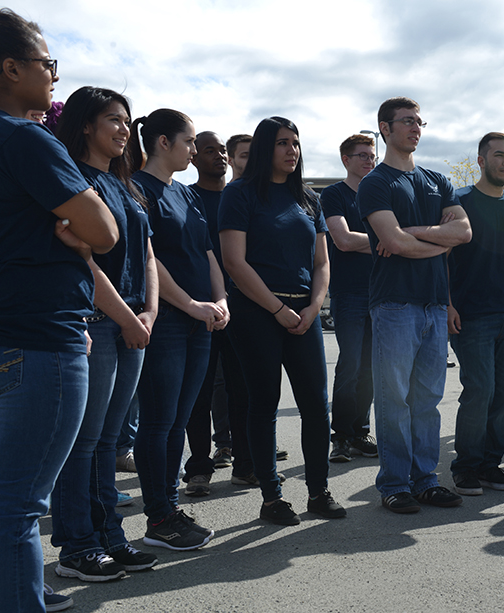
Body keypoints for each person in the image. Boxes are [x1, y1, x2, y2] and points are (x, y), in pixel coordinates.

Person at [0, 9, 118, 610]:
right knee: (16, 511)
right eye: (46, 63)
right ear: (10, 69)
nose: (53, 76)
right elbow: (104, 229)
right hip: (40, 339)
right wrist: (79, 231)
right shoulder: (22, 136)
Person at [51, 86, 159, 582]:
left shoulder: (128, 184)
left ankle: (110, 538)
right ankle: (77, 546)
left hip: (134, 322)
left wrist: (149, 314)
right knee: (84, 441)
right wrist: (125, 318)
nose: (123, 129)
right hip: (101, 323)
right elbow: (83, 261)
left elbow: (149, 257)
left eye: (127, 120)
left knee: (107, 441)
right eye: (113, 119)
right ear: (86, 125)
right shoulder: (72, 179)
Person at [220, 116, 345, 525]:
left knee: (316, 406)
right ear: (262, 149)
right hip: (257, 314)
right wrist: (277, 308)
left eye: (295, 143)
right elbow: (234, 262)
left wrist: (313, 307)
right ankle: (271, 497)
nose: (292, 150)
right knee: (264, 404)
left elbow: (322, 263)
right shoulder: (239, 194)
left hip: (305, 315)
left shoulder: (309, 199)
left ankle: (318, 491)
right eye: (281, 143)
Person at [358, 97, 471, 513]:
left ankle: (425, 480)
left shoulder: (438, 180)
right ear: (384, 129)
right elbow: (393, 243)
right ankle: (394, 484)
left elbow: (463, 232)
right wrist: (427, 241)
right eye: (407, 121)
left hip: (435, 305)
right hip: (393, 305)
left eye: (419, 121)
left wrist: (411, 236)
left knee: (426, 399)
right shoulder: (376, 183)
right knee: (394, 400)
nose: (416, 128)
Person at [129, 108, 227, 550]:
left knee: (178, 422)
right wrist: (190, 305)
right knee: (158, 421)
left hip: (201, 322)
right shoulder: (137, 189)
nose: (194, 149)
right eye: (189, 142)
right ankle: (159, 517)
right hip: (169, 322)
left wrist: (220, 301)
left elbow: (207, 254)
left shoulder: (185, 195)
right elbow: (151, 262)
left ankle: (168, 509)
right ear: (163, 142)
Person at [448, 132, 504, 495]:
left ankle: (490, 464)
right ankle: (465, 467)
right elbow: (445, 256)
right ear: (481, 161)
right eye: (499, 155)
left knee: (503, 394)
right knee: (479, 390)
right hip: (470, 315)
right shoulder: (459, 201)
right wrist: (447, 302)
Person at [182, 131, 253, 495]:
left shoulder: (241, 197)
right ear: (194, 158)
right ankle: (198, 468)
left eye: (222, 150)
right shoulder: (186, 198)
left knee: (243, 390)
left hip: (243, 308)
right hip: (201, 309)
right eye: (208, 150)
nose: (219, 156)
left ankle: (245, 464)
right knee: (199, 392)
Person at [323, 134, 379, 463]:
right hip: (349, 295)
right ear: (346, 160)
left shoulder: (380, 193)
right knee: (350, 364)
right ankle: (340, 436)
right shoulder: (334, 195)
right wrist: (386, 237)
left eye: (371, 155)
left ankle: (361, 431)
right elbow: (342, 240)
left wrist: (389, 237)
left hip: (381, 293)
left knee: (371, 368)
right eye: (361, 156)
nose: (369, 160)